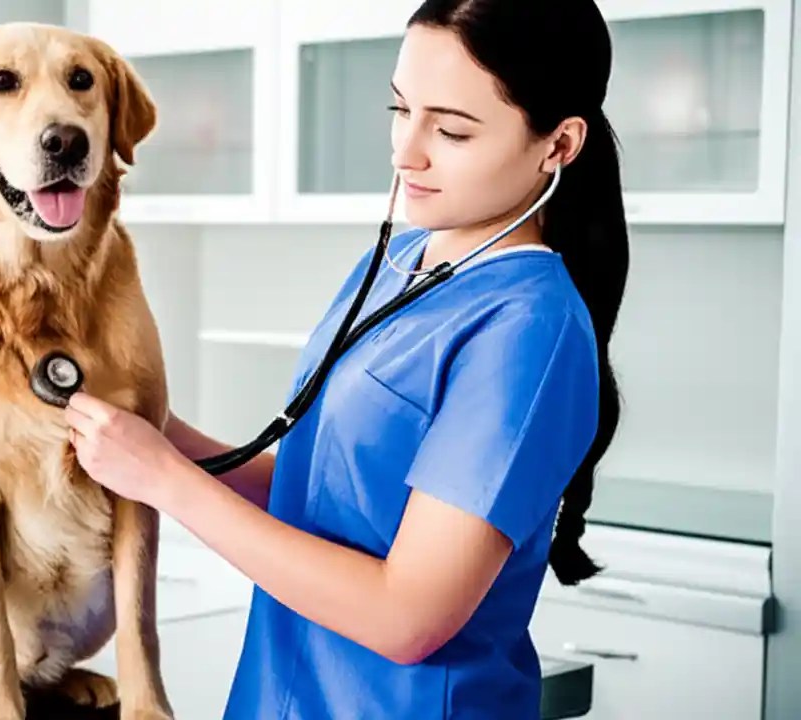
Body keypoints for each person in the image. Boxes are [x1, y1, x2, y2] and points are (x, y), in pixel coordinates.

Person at [63, 0, 629, 716]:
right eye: (401, 110)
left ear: (559, 145)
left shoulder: (528, 332)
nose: (406, 152)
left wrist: (168, 481)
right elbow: (325, 495)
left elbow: (407, 619)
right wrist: (164, 434)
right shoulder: (395, 264)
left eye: (451, 129)